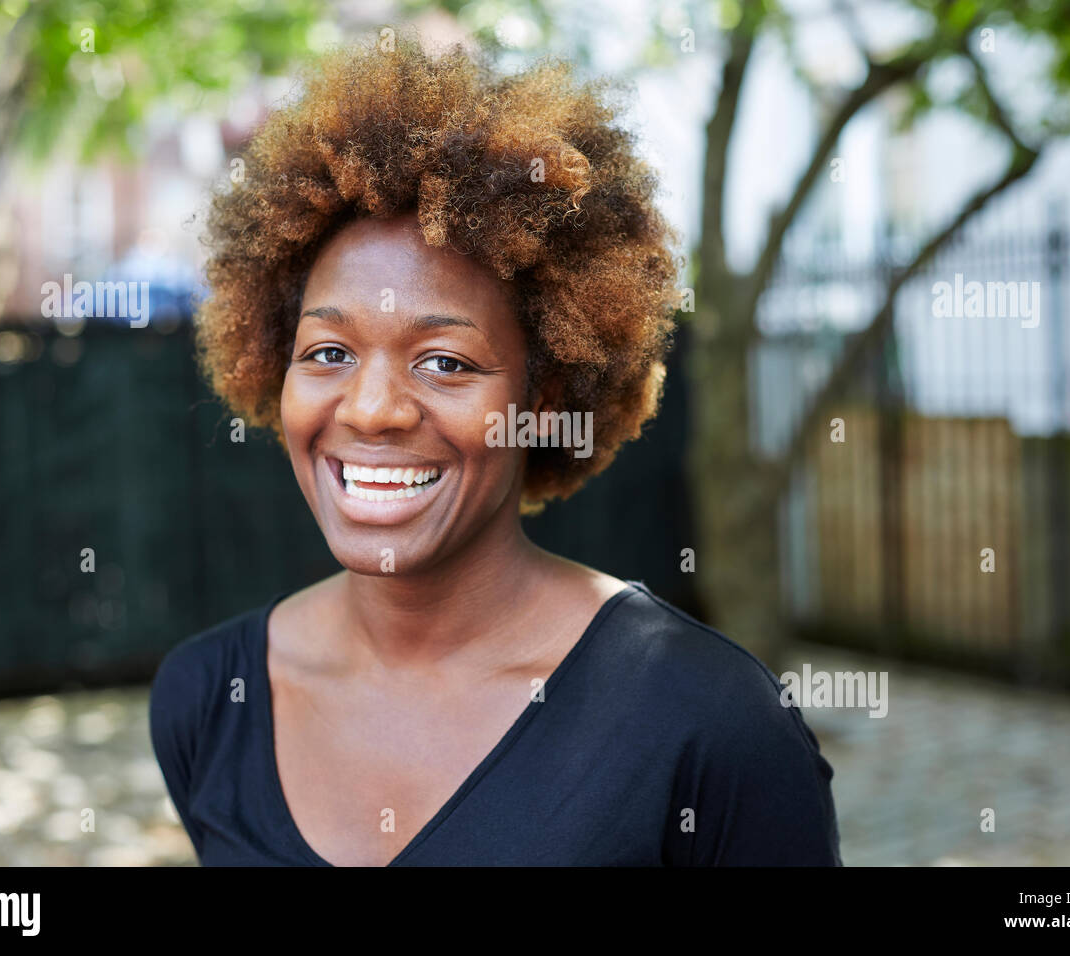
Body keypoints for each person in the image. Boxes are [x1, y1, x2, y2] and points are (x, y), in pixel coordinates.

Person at [149, 33, 842, 866]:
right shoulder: (205, 703)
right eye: (328, 353)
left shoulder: (711, 727)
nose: (371, 410)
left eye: (445, 362)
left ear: (543, 397)